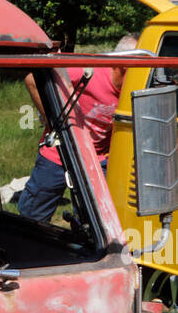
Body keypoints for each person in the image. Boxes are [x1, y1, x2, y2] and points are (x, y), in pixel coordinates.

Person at [16, 34, 138, 222]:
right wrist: (52, 120)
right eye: (141, 66)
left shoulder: (135, 88)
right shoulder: (88, 70)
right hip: (58, 153)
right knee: (32, 217)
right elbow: (32, 79)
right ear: (124, 63)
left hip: (97, 159)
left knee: (97, 223)